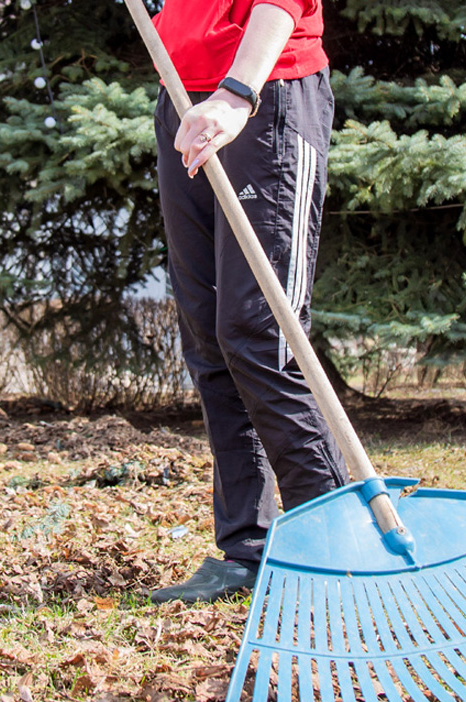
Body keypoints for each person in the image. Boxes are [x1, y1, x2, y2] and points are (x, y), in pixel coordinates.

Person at [148, 0, 347, 604]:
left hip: (265, 96)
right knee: (208, 337)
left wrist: (238, 93)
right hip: (182, 97)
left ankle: (336, 549)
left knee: (262, 333)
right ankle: (247, 550)